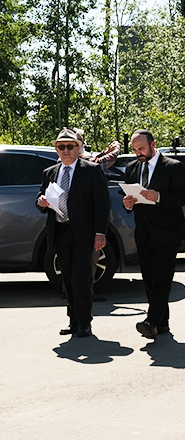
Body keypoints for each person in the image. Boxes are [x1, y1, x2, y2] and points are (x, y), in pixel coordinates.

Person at [36, 128, 111, 338]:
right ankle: (73, 321)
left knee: (81, 277)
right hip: (60, 231)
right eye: (61, 147)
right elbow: (41, 200)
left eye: (70, 146)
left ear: (79, 148)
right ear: (56, 150)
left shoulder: (92, 170)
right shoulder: (49, 172)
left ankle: (85, 322)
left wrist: (100, 233)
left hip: (85, 233)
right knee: (66, 278)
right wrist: (41, 202)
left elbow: (102, 205)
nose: (66, 150)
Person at [123, 129, 185, 340]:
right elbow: (129, 198)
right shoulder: (132, 168)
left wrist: (158, 196)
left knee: (161, 278)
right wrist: (128, 204)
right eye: (134, 149)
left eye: (141, 148)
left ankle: (151, 321)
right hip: (144, 232)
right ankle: (163, 323)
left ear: (153, 144)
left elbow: (181, 198)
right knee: (149, 280)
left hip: (168, 232)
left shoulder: (172, 167)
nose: (138, 153)